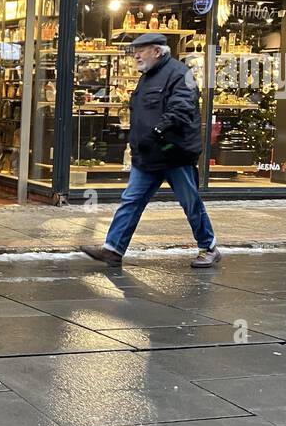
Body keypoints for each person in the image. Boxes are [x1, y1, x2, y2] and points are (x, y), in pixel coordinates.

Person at [81, 32, 220, 269]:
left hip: (174, 153)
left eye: (141, 49)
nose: (136, 54)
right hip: (148, 154)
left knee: (190, 202)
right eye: (135, 50)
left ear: (157, 51)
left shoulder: (179, 74)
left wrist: (158, 131)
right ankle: (113, 249)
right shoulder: (147, 76)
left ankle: (209, 247)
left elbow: (182, 109)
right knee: (131, 200)